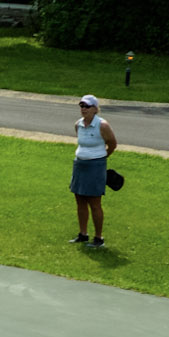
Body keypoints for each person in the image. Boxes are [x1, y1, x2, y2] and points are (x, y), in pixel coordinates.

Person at [69, 95, 117, 247]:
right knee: (80, 200)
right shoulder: (78, 124)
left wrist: (101, 158)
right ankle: (83, 234)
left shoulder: (102, 125)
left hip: (95, 166)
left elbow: (112, 144)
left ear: (95, 109)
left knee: (94, 203)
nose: (83, 109)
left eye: (87, 106)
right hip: (80, 165)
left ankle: (98, 238)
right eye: (81, 106)